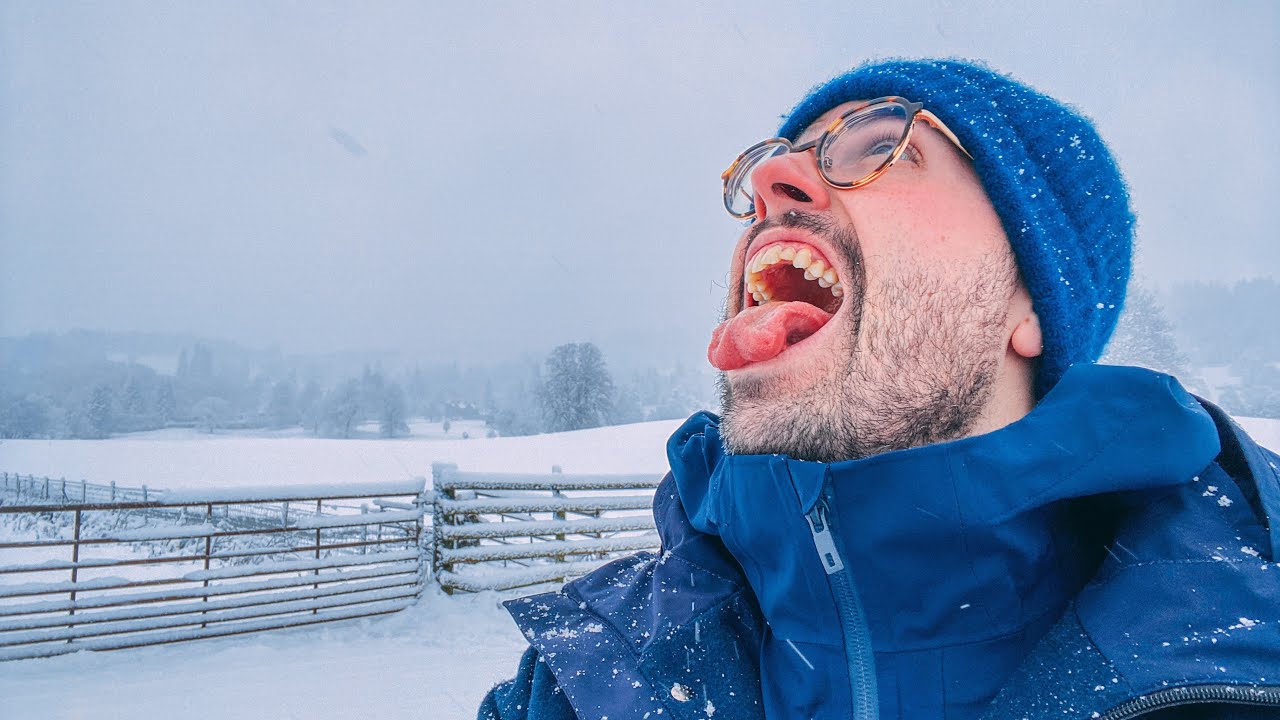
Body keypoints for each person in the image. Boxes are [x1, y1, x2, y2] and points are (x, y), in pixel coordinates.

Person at [478, 59, 1280, 720]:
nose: (774, 181)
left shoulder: (1242, 655)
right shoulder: (581, 681)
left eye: (878, 145)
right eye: (775, 160)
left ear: (1031, 300)